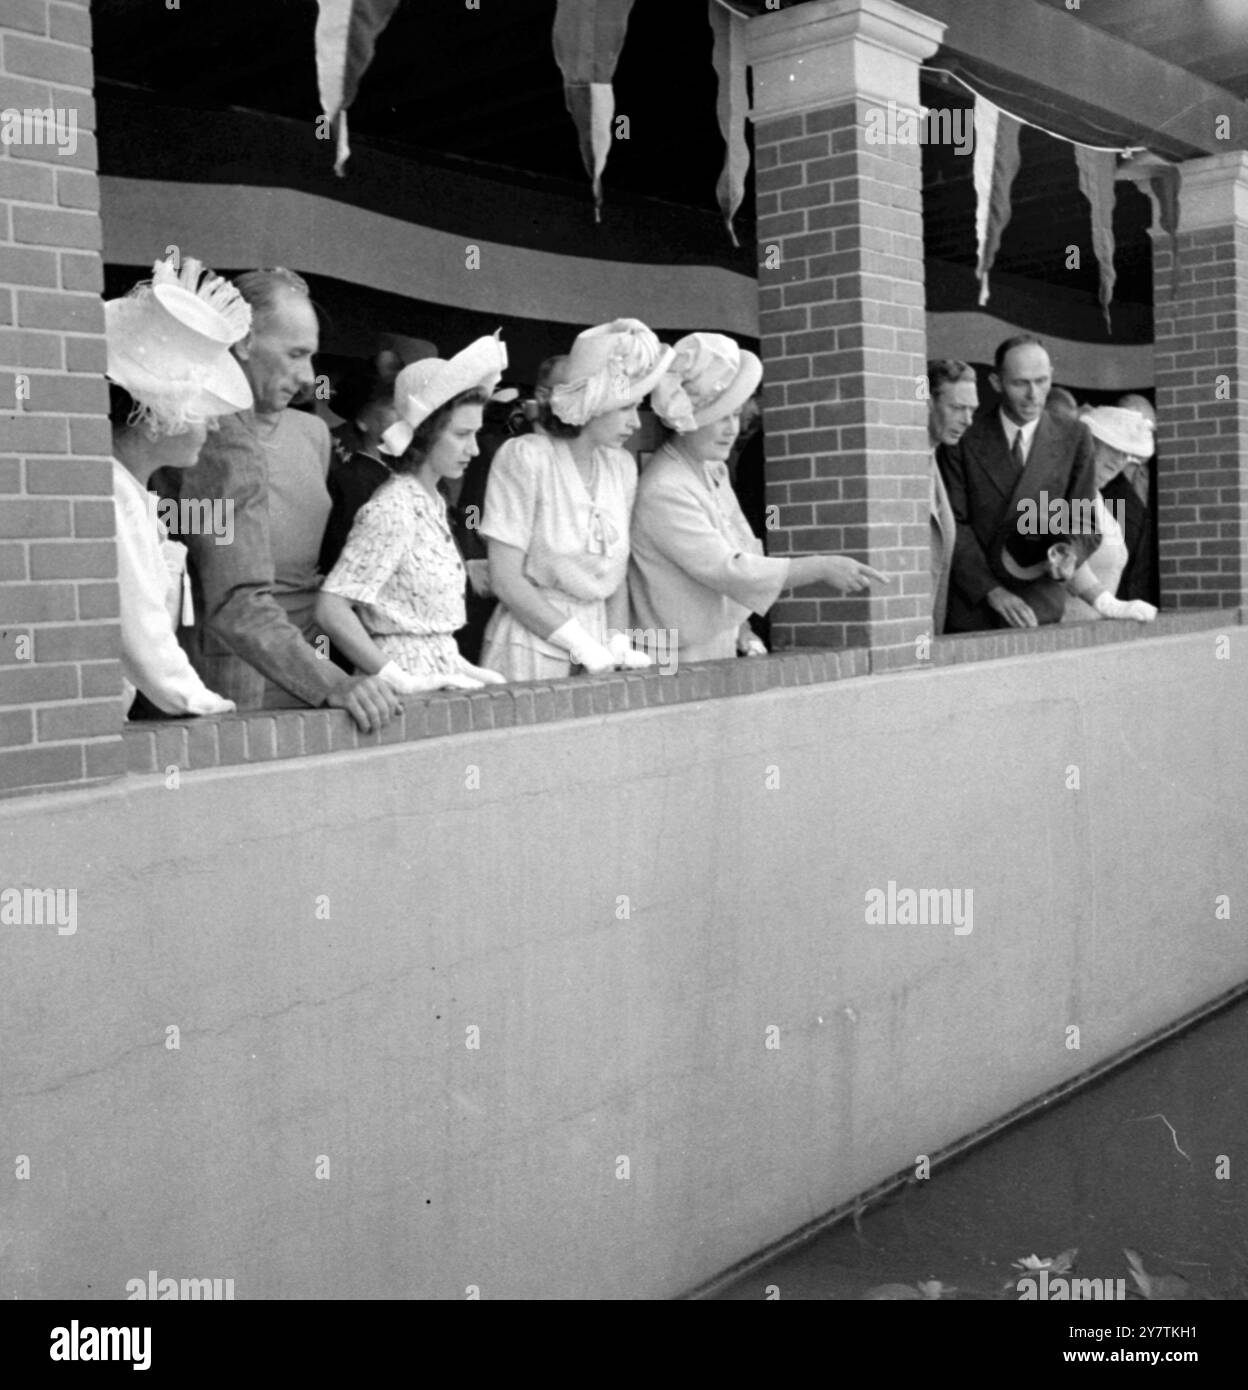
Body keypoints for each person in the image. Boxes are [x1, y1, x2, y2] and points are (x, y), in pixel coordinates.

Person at [165, 267, 398, 733]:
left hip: (281, 658)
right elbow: (234, 598)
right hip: (238, 676)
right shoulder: (221, 437)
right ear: (245, 341)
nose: (309, 377)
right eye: (295, 354)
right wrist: (332, 682)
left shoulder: (280, 432)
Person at [629, 333, 889, 662]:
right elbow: (729, 568)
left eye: (736, 416)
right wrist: (820, 567)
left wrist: (741, 627)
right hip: (671, 655)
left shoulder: (711, 471)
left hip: (715, 643)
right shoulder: (665, 489)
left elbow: (741, 545)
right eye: (720, 417)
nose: (732, 429)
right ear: (686, 422)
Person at [479, 318, 671, 679]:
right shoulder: (526, 457)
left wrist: (615, 643)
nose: (637, 423)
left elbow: (615, 574)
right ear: (594, 403)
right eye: (625, 407)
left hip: (599, 649)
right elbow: (506, 580)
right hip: (532, 645)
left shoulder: (621, 466)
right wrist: (580, 644)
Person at [315, 336, 509, 692]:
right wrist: (397, 679)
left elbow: (425, 630)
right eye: (462, 434)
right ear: (427, 433)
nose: (475, 448)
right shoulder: (393, 506)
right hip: (402, 692)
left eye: (476, 433)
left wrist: (464, 667)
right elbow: (331, 608)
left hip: (440, 678)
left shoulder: (434, 501)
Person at [106, 253, 245, 718]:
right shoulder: (115, 493)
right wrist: (196, 698)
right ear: (155, 421)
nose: (214, 430)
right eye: (201, 413)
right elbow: (140, 629)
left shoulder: (133, 494)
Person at [941, 334, 1100, 632]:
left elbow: (1084, 521)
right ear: (997, 383)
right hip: (975, 602)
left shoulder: (1075, 437)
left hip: (1039, 601)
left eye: (1041, 381)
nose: (1034, 395)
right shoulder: (964, 438)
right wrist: (992, 591)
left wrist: (1070, 555)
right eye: (1020, 383)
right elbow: (955, 525)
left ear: (1052, 375)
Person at [1062, 406, 1158, 623]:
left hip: (1092, 634)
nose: (1119, 461)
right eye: (1113, 449)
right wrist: (1105, 602)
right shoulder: (1056, 489)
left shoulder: (1099, 498)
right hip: (1058, 634)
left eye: (1125, 455)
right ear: (1089, 444)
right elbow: (1057, 550)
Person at [318, 350, 402, 575]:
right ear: (363, 421)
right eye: (394, 409)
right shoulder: (354, 476)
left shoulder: (397, 471)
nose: (404, 416)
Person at [925, 360, 972, 635]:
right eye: (957, 408)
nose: (968, 420)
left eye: (971, 410)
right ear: (927, 403)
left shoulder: (934, 461)